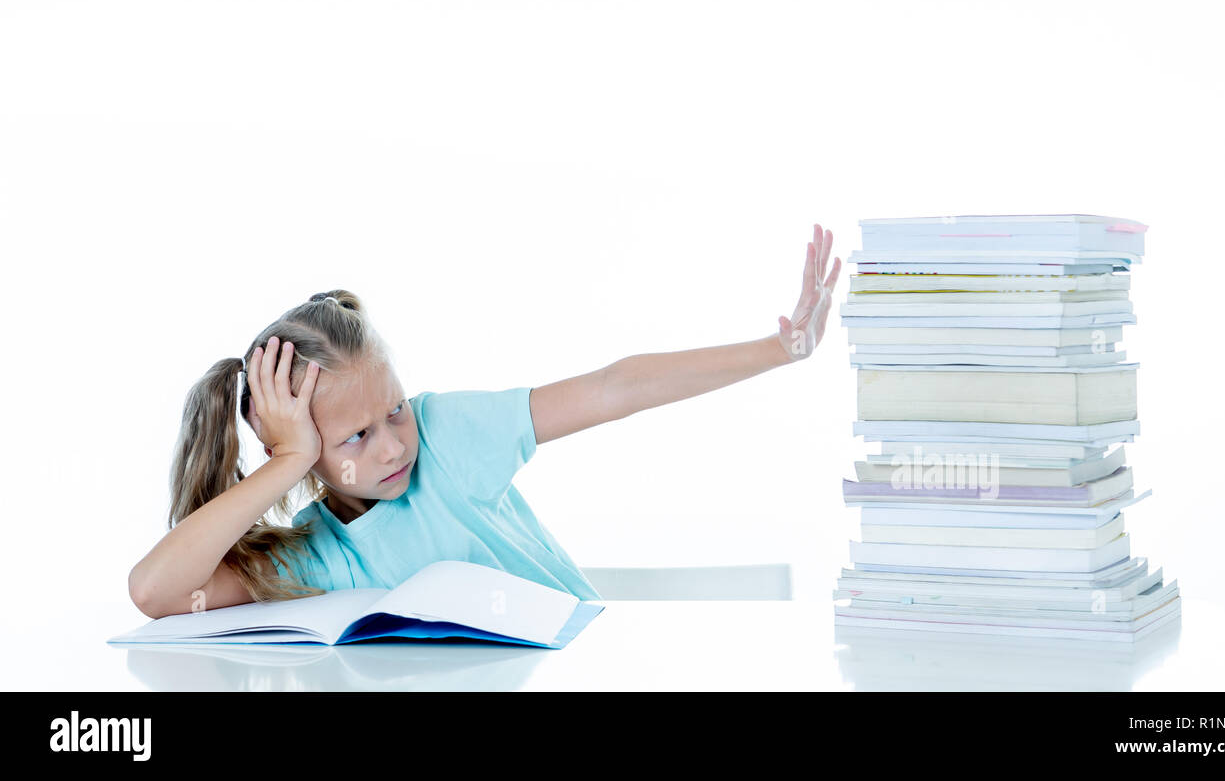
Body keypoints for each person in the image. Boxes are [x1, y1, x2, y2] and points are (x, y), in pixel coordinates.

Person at [127, 225, 841, 619]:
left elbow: (614, 386)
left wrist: (780, 349)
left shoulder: (446, 439)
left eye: (395, 408)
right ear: (304, 446)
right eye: (355, 438)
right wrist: (287, 462)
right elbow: (154, 591)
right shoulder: (313, 556)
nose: (394, 442)